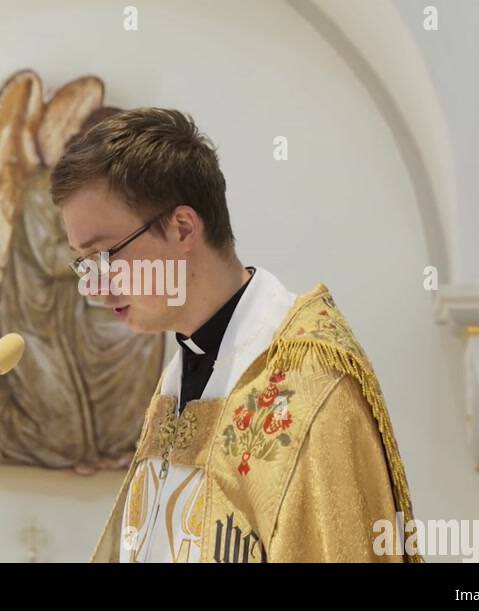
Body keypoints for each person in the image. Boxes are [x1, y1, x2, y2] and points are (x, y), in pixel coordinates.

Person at [50, 107, 421, 562]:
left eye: (106, 255)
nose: (96, 286)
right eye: (84, 264)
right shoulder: (183, 369)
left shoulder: (307, 383)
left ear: (183, 227)